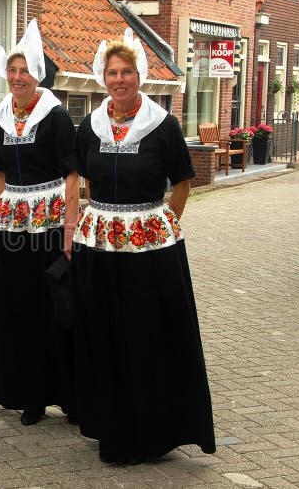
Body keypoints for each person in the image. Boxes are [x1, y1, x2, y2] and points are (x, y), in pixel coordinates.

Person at [70, 28, 216, 464]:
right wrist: (81, 226)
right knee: (105, 333)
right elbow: (82, 180)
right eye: (113, 73)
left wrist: (164, 224)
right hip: (99, 248)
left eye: (127, 72)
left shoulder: (163, 125)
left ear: (140, 75)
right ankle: (110, 426)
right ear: (103, 77)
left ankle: (150, 432)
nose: (120, 80)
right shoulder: (90, 127)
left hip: (150, 253)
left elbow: (184, 182)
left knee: (145, 336)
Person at [0, 19, 79, 426]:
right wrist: (6, 210)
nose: (17, 77)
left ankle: (65, 393)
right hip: (11, 224)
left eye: (24, 70)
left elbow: (73, 176)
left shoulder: (55, 117)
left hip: (50, 220)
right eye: (12, 70)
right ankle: (27, 393)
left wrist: (70, 230)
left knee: (53, 308)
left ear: (37, 73)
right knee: (17, 307)